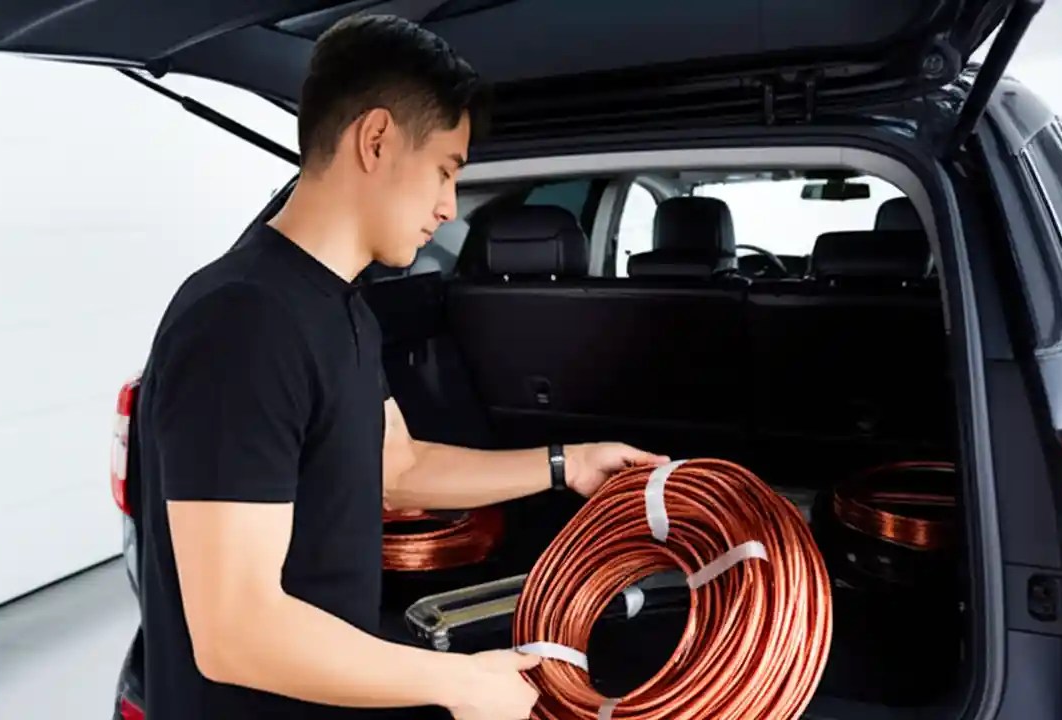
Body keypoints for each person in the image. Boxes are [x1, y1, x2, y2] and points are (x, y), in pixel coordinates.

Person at [134, 12, 669, 720]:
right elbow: (236, 633)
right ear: (377, 140)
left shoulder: (343, 310)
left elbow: (399, 468)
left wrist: (567, 463)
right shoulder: (244, 321)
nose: (449, 207)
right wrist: (460, 682)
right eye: (446, 170)